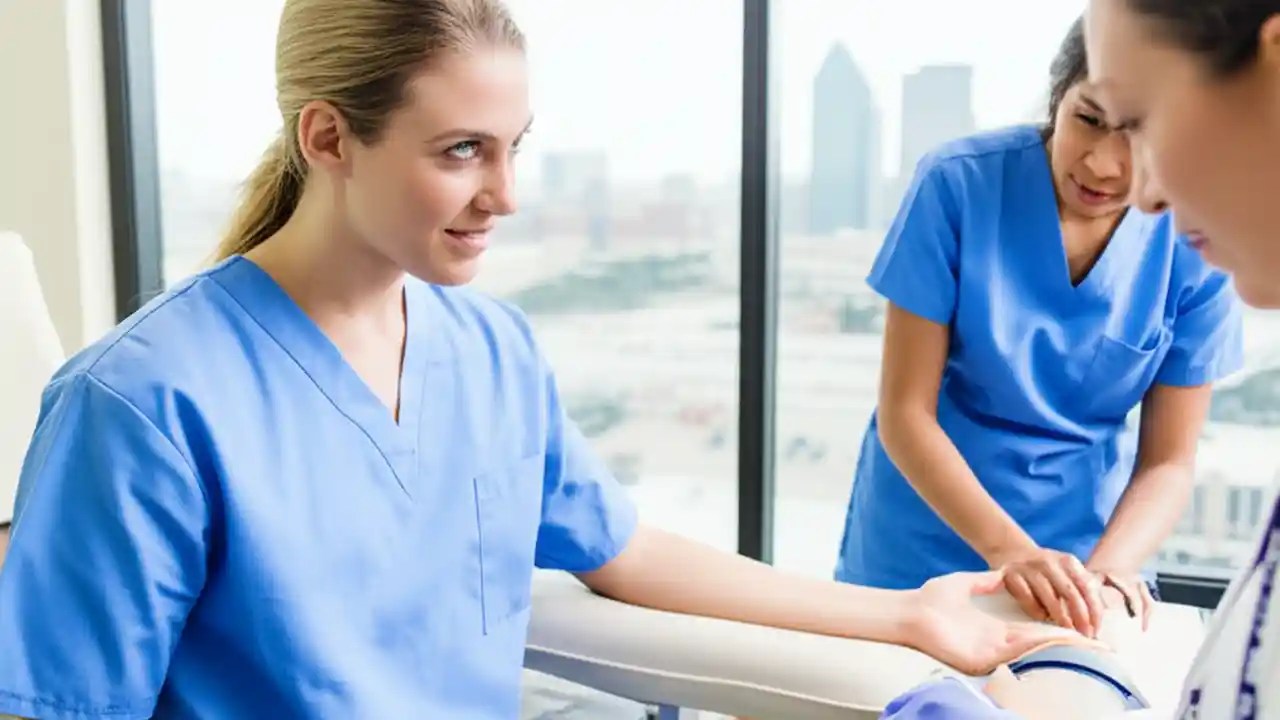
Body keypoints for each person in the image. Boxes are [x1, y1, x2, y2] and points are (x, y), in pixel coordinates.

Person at [0, 2, 1088, 718]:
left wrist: (906, 615)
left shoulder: (490, 353)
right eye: (460, 151)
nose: (505, 195)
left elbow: (624, 552)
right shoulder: (140, 405)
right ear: (328, 139)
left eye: (513, 146)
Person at [884, 0, 1280, 716]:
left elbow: (1169, 460)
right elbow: (904, 413)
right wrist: (1008, 552)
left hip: (1087, 557)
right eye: (1088, 119)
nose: (1106, 164)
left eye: (1141, 128)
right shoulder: (960, 184)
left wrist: (1103, 577)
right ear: (1056, 101)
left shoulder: (1194, 238)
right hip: (919, 538)